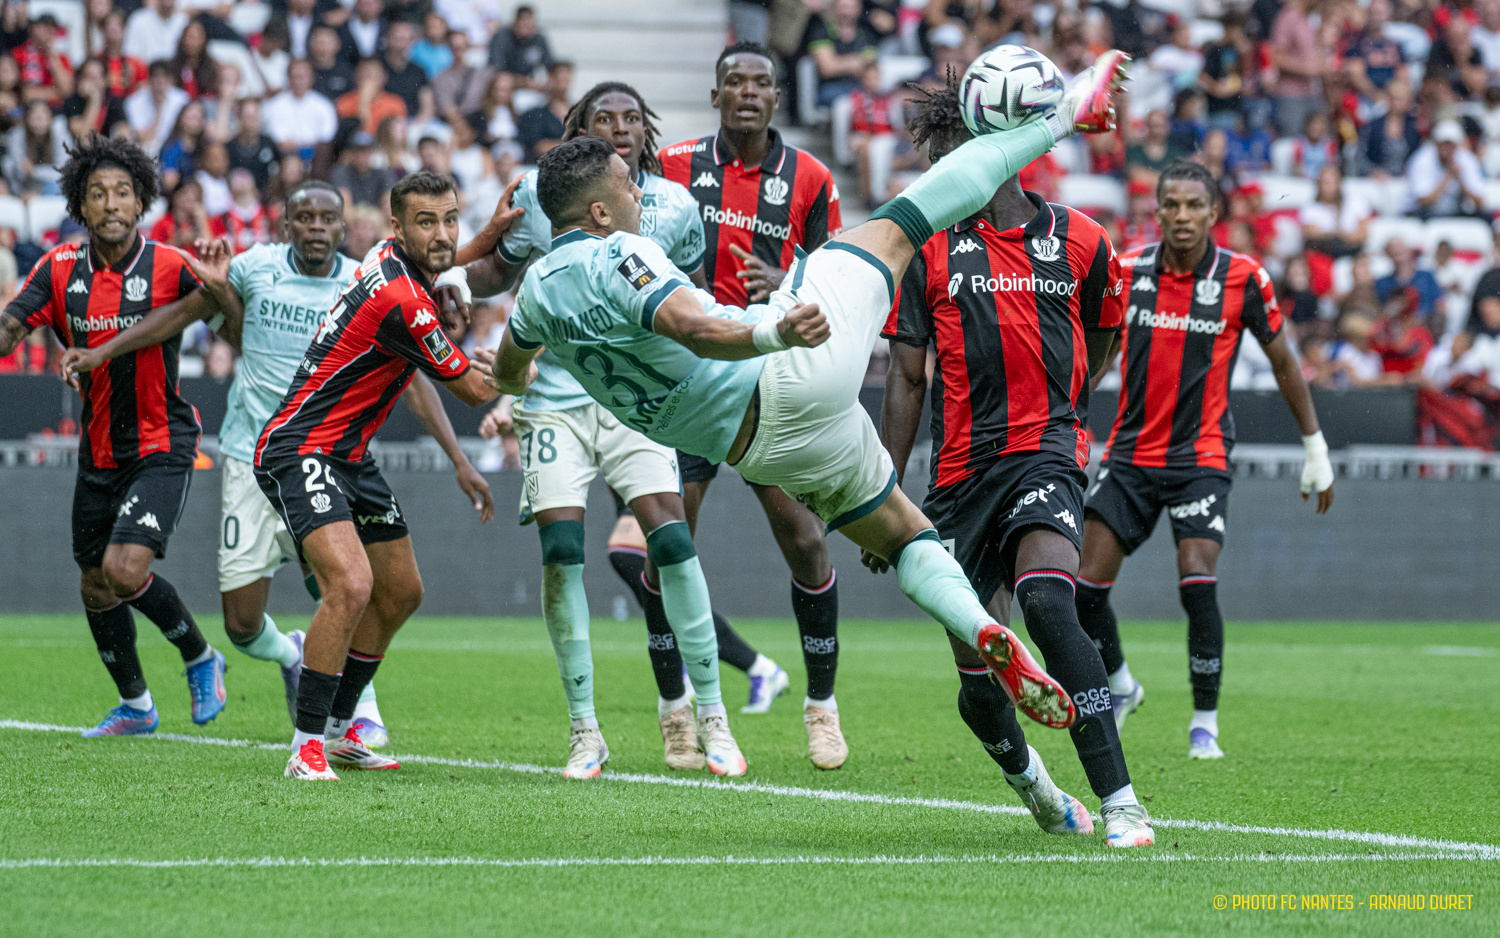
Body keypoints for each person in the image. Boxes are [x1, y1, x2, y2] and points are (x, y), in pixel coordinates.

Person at [484, 51, 1141, 839]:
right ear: (593, 213)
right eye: (625, 190)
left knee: (903, 535)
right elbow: (692, 324)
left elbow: (510, 364)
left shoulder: (539, 297)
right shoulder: (617, 251)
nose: (638, 197)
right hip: (791, 373)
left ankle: (983, 633)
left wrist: (516, 388)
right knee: (905, 222)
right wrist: (772, 325)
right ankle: (1064, 112)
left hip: (763, 449)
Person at [62, 180, 494, 747]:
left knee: (358, 586)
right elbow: (194, 316)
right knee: (247, 621)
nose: (316, 226)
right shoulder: (259, 267)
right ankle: (302, 672)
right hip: (261, 451)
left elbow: (416, 368)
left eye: (327, 218)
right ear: (286, 226)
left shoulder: (364, 270)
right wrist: (128, 339)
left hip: (336, 454)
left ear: (345, 229)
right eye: (304, 217)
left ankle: (344, 720)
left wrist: (459, 458)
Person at [461, 82, 767, 774]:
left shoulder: (673, 205)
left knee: (667, 536)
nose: (622, 128)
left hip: (640, 399)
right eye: (607, 118)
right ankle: (584, 730)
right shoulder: (541, 195)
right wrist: (460, 272)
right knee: (562, 548)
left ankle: (711, 717)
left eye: (633, 117)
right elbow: (504, 282)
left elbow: (684, 296)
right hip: (559, 398)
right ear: (582, 129)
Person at [879, 72, 1133, 838]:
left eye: (953, 149)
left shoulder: (1084, 240)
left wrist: (1061, 404)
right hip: (957, 478)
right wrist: (884, 494)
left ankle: (1121, 803)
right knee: (982, 679)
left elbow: (1104, 336)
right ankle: (1036, 788)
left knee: (1052, 600)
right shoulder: (924, 251)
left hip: (1045, 452)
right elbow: (906, 376)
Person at [1074, 160, 1335, 765]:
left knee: (1196, 577)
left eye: (1195, 205)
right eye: (1173, 205)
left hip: (1201, 456)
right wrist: (1067, 416)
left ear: (1214, 213)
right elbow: (1101, 357)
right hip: (1132, 454)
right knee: (1083, 590)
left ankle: (1205, 723)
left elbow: (1284, 363)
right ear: (1157, 210)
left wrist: (1315, 446)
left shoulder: (1244, 279)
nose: (1183, 216)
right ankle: (1121, 686)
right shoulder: (1129, 270)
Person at [251, 171, 499, 780]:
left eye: (450, 219)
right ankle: (305, 745)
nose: (442, 235)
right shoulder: (403, 300)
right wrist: (529, 350)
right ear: (397, 227)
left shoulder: (390, 260)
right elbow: (471, 391)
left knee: (402, 591)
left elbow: (443, 258)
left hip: (349, 454)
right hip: (300, 448)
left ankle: (338, 730)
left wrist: (489, 233)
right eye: (426, 221)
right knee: (351, 586)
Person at [0, 133, 226, 737]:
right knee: (96, 585)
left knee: (125, 571)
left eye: (122, 191)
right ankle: (136, 707)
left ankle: (202, 657)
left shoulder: (172, 265)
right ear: (80, 204)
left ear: (141, 199)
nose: (110, 204)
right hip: (98, 449)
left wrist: (222, 279)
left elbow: (222, 312)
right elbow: (10, 329)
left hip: (163, 443)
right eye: (97, 193)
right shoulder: (58, 268)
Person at [657, 43, 850, 726]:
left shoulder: (811, 177)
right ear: (714, 95)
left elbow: (839, 284)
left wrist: (789, 282)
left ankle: (821, 701)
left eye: (760, 82)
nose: (746, 91)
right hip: (685, 377)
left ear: (777, 97)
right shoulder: (673, 166)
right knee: (668, 538)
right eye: (733, 81)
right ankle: (680, 705)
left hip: (767, 379)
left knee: (803, 538)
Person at [1408, 120, 1487, 219]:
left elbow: (1479, 202)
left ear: (1457, 146)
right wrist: (1447, 177)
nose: (1447, 149)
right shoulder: (1422, 159)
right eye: (1443, 144)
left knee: (1484, 217)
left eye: (1450, 145)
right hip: (1428, 214)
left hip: (1456, 213)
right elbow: (1422, 201)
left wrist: (1460, 180)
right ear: (1436, 144)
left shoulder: (1466, 159)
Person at [517, 60, 573, 161]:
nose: (564, 86)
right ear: (550, 79)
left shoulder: (579, 114)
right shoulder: (536, 115)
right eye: (560, 80)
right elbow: (540, 147)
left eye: (566, 80)